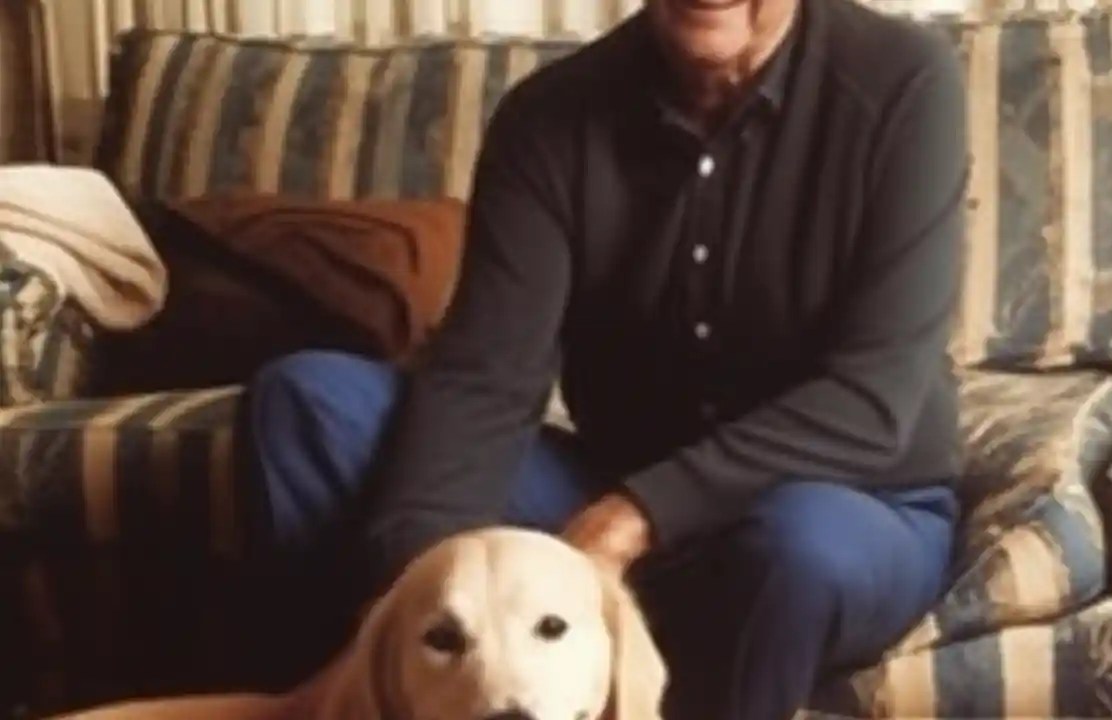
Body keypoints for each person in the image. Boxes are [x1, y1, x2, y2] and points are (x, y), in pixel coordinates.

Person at [243, 0, 968, 717]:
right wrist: (411, 608)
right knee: (310, 404)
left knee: (799, 546)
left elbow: (873, 400)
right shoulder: (549, 116)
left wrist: (630, 519)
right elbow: (484, 381)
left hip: (850, 508)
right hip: (610, 496)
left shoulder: (906, 81)